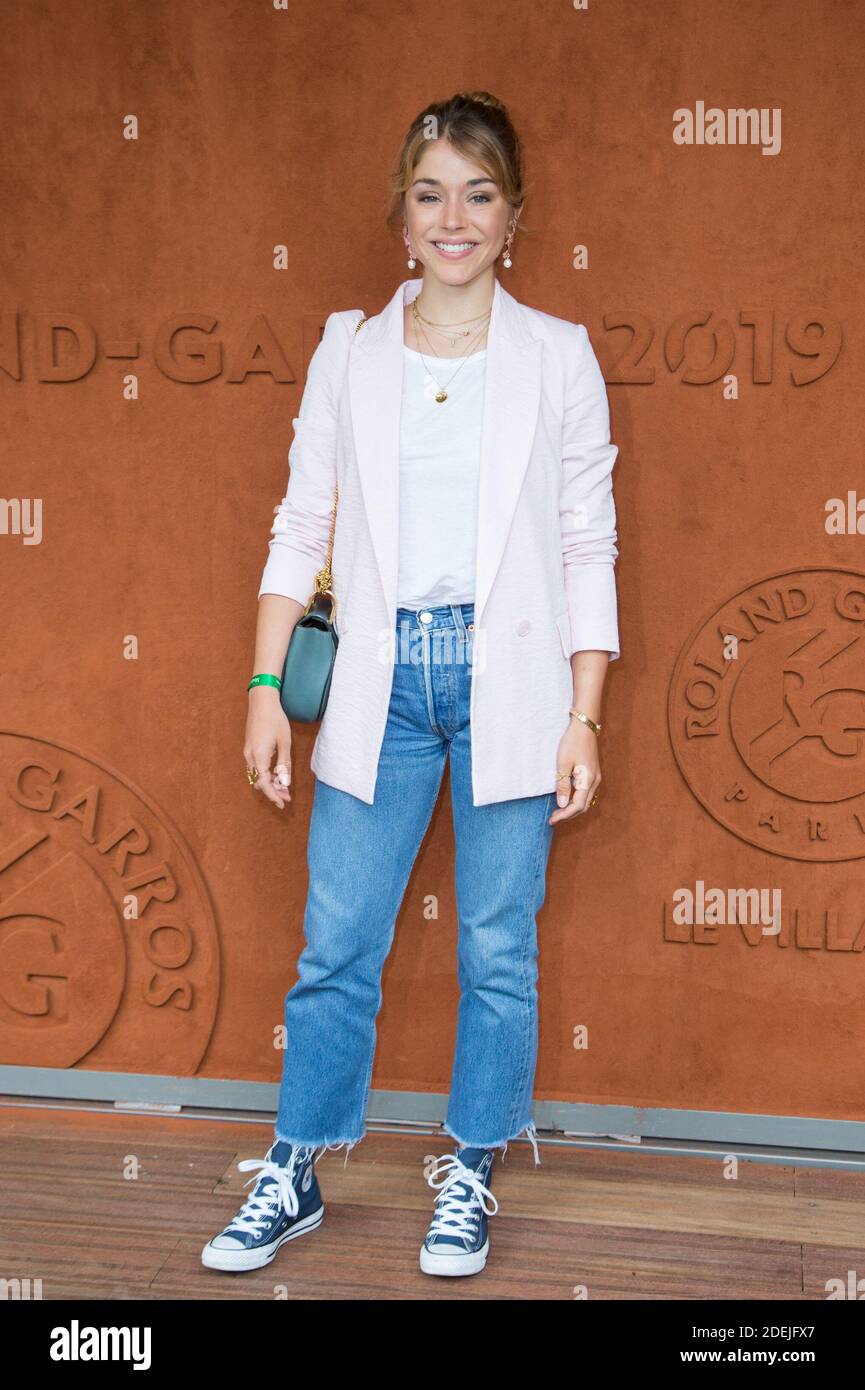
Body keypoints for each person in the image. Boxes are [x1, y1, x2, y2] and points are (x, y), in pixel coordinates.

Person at [202, 90, 620, 1280]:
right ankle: (296, 1167)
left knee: (497, 945)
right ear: (402, 217)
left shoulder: (558, 357)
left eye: (478, 194)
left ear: (513, 216)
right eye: (431, 192)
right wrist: (262, 684)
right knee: (336, 939)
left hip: (512, 680)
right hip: (379, 681)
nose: (454, 217)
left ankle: (472, 1171)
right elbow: (302, 521)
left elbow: (587, 542)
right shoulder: (351, 351)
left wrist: (583, 713)